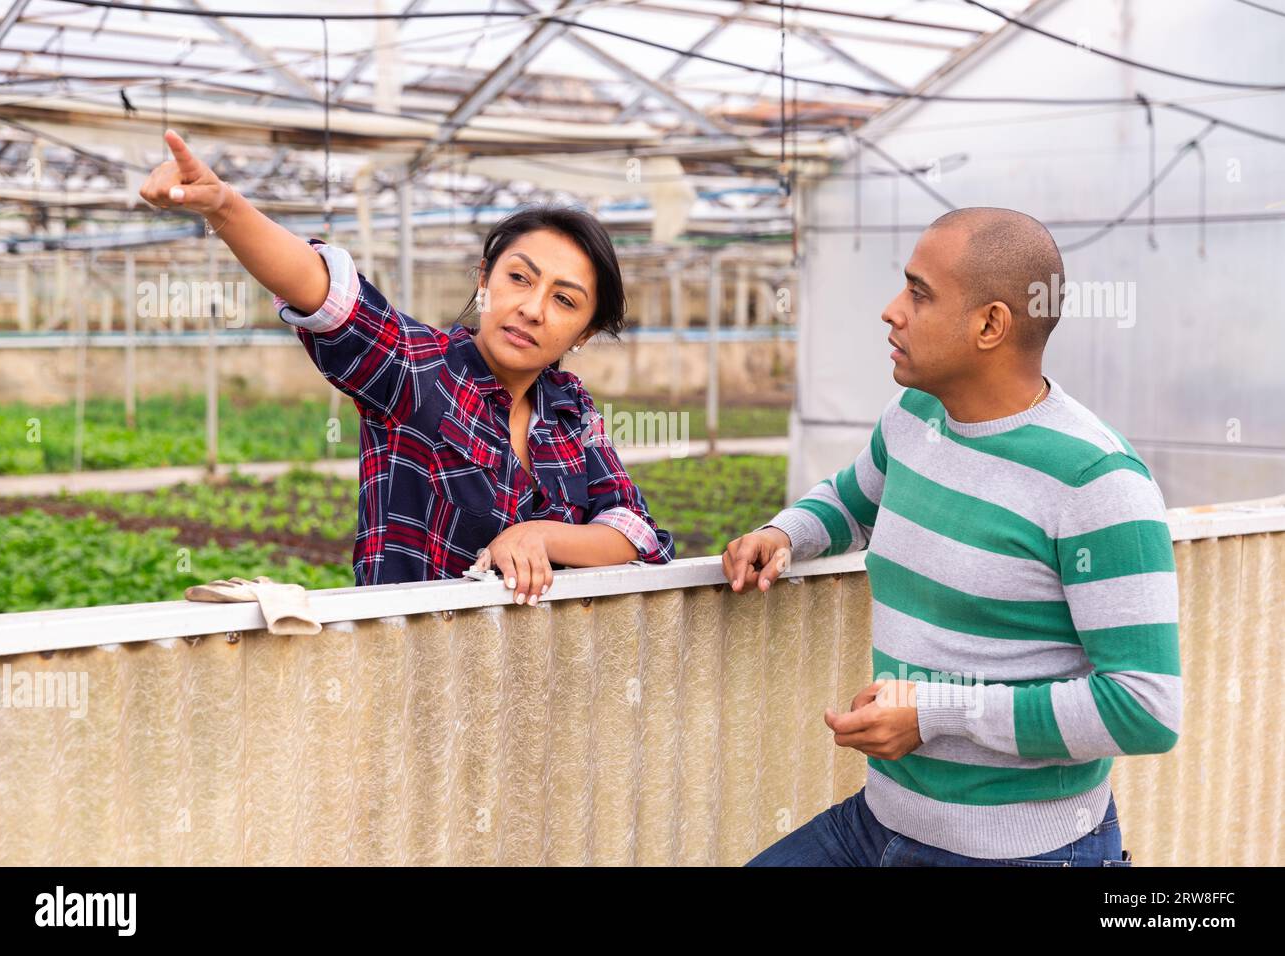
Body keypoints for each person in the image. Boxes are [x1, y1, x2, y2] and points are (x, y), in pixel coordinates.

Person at [722, 207, 1179, 866]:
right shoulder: (914, 417)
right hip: (878, 824)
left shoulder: (1097, 482)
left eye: (918, 292)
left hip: (1023, 854)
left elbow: (1145, 709)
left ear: (990, 324)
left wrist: (933, 714)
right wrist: (785, 533)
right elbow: (854, 502)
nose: (891, 310)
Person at [140, 130, 674, 605]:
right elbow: (331, 297)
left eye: (564, 300)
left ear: (582, 333)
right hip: (408, 677)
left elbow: (633, 528)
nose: (533, 308)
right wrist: (225, 207)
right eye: (519, 278)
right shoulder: (421, 371)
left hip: (531, 686)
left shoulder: (568, 408)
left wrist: (539, 535)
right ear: (484, 280)